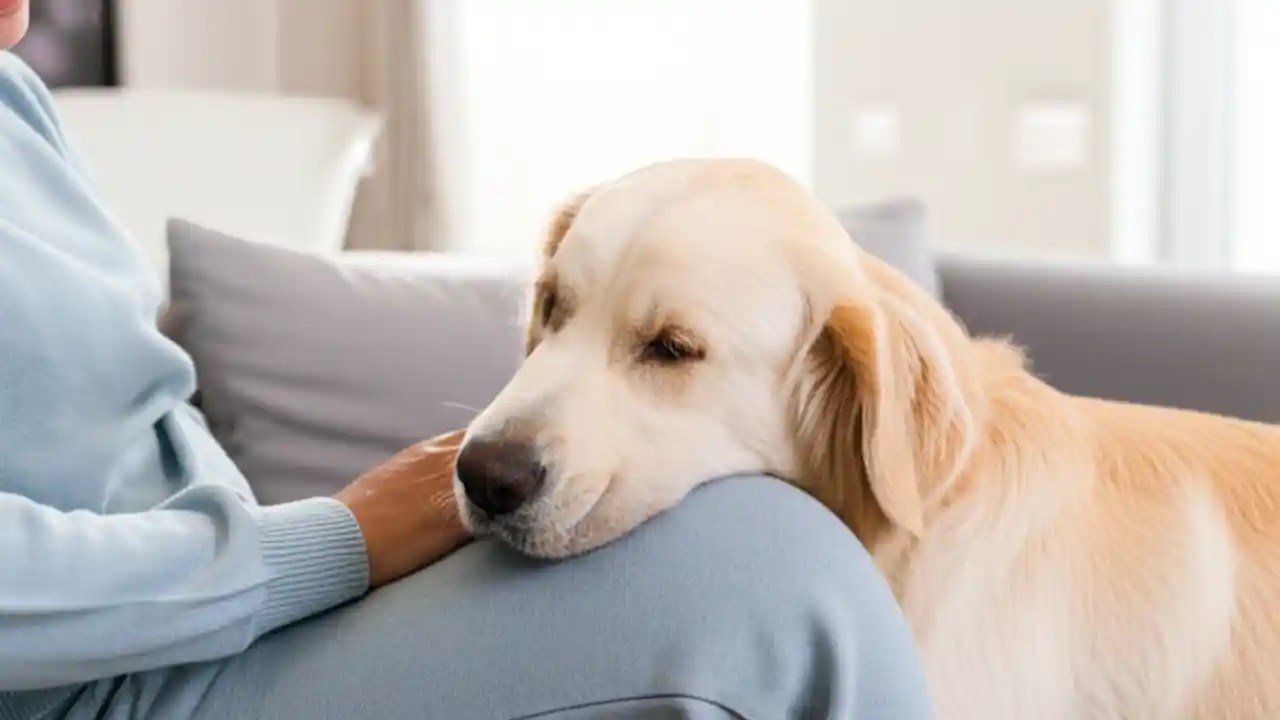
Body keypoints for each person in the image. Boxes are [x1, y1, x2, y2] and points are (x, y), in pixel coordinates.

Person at [0, 2, 933, 717]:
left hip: (219, 628)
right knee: (782, 584)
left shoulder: (16, 102)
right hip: (109, 691)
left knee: (768, 544)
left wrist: (287, 567)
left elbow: (135, 421)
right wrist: (331, 543)